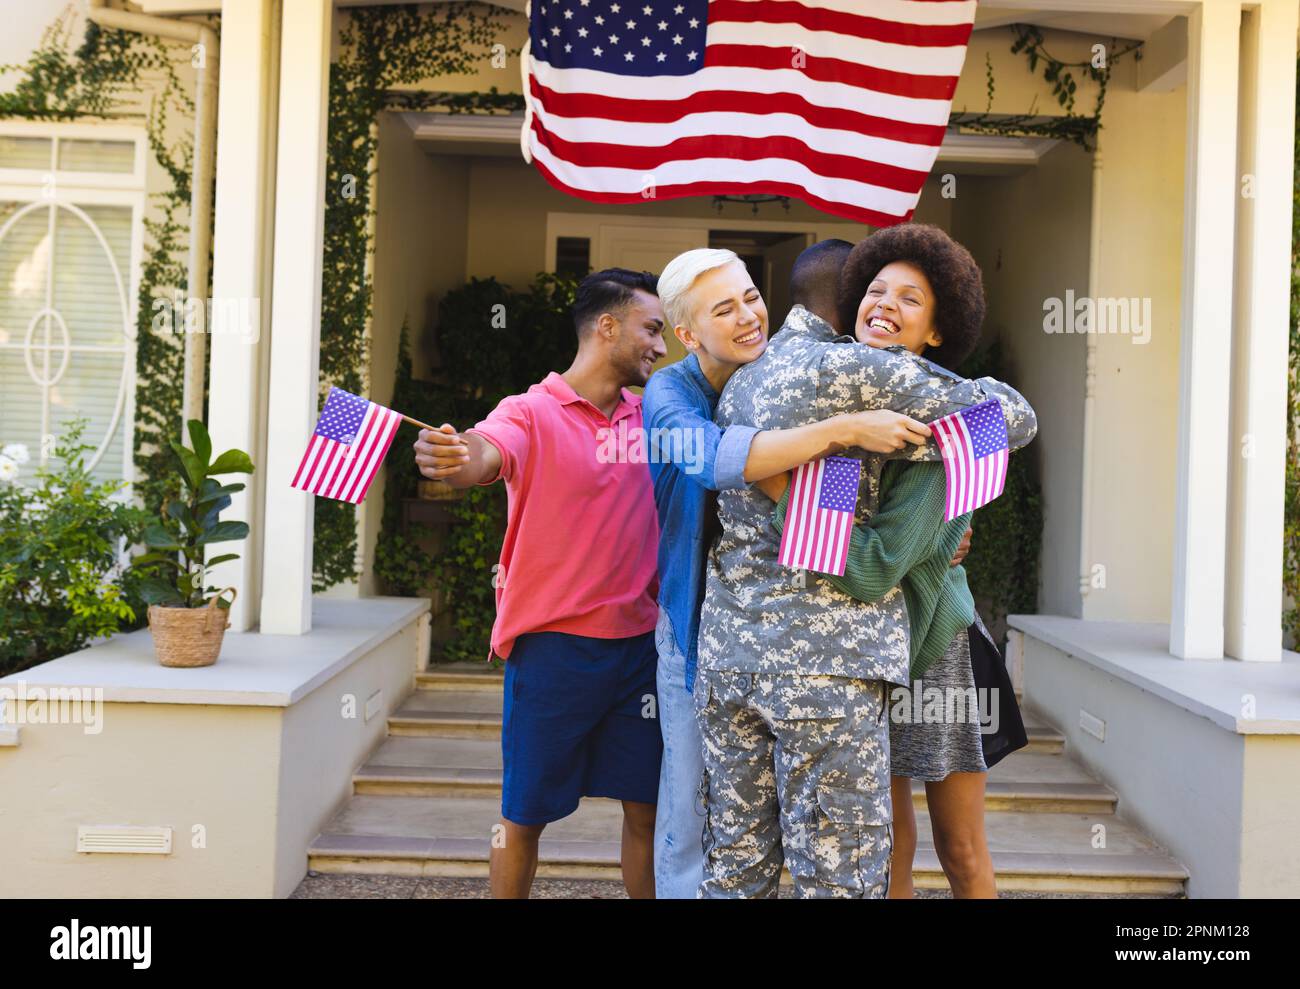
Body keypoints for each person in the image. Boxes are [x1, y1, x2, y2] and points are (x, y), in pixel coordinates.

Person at [695, 231, 1039, 898]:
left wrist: (775, 485)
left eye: (909, 299)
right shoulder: (854, 407)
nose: (885, 305)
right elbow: (843, 532)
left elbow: (873, 565)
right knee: (873, 848)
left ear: (938, 330)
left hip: (930, 643)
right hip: (859, 652)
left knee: (954, 843)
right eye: (875, 291)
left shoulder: (933, 443)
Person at [644, 244, 933, 899]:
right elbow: (717, 459)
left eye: (752, 296)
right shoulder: (671, 391)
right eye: (726, 309)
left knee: (757, 853)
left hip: (759, 641)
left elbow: (853, 534)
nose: (749, 316)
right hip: (695, 633)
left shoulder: (787, 370)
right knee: (696, 827)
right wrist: (844, 426)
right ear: (688, 334)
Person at [413, 268, 665, 899]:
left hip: (642, 651)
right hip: (553, 651)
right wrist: (457, 457)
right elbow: (484, 453)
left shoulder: (659, 415)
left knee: (647, 813)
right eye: (652, 329)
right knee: (523, 818)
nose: (662, 346)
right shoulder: (529, 411)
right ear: (607, 328)